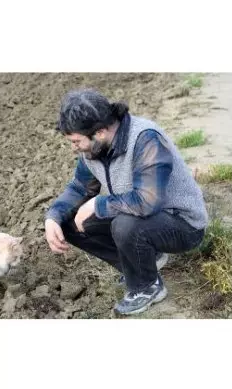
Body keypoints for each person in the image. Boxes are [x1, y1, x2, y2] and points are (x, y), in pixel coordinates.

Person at [44, 89, 208, 316]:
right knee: (67, 221)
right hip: (141, 216)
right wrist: (53, 216)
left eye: (75, 141)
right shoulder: (93, 149)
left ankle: (147, 287)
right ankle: (142, 264)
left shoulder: (145, 139)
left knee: (124, 225)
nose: (74, 148)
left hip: (183, 225)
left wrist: (97, 204)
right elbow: (79, 188)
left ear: (99, 132)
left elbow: (147, 202)